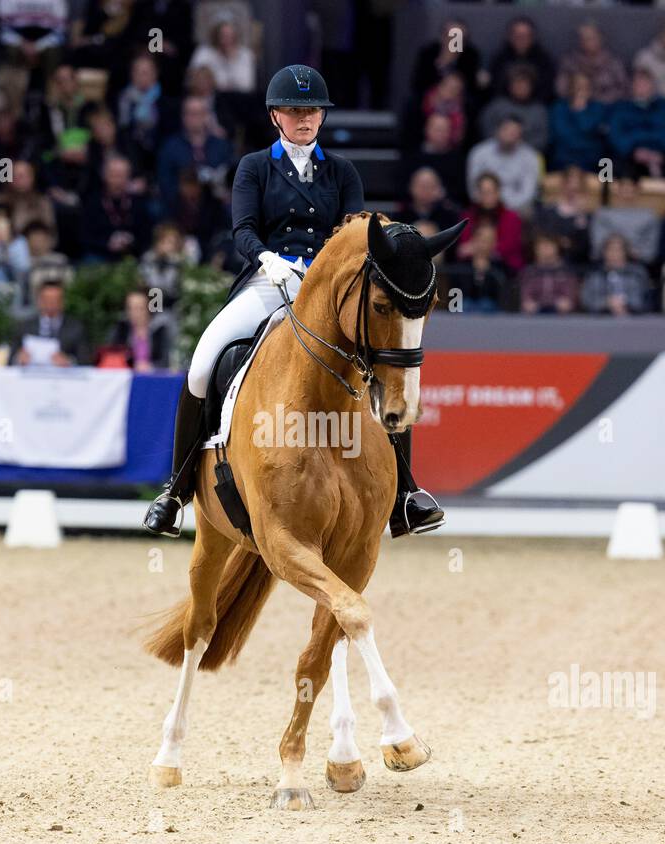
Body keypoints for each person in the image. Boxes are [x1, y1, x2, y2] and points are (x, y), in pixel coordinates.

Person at [143, 64, 454, 539]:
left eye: (311, 110)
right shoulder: (254, 167)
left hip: (327, 288)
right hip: (269, 280)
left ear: (321, 117)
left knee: (382, 362)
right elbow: (242, 229)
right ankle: (177, 489)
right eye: (294, 110)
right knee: (205, 360)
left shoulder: (342, 171)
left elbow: (354, 234)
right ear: (275, 116)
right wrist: (268, 259)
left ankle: (404, 496)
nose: (304, 118)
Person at [8, 281, 87, 367]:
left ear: (63, 301)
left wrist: (69, 362)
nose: (51, 303)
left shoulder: (75, 328)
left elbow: (86, 361)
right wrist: (18, 359)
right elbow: (10, 360)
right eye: (47, 299)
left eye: (55, 299)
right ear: (39, 301)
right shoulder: (24, 327)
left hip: (63, 378)